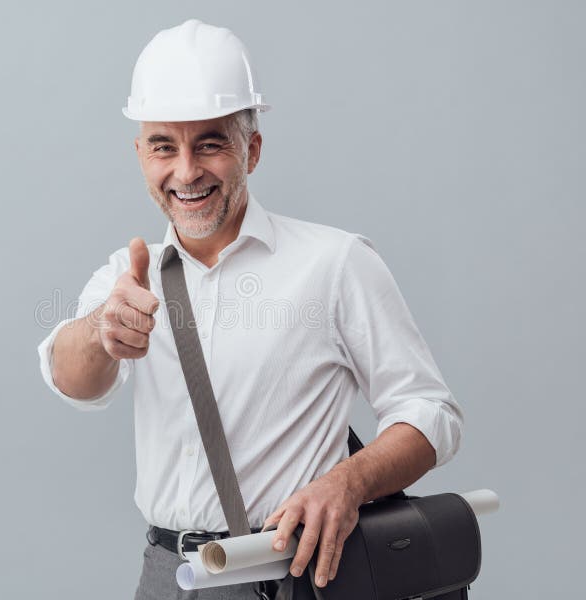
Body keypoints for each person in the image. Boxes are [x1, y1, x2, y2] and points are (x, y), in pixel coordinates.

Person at [37, 19, 463, 600]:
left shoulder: (335, 264)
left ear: (252, 149)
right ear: (141, 154)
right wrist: (100, 332)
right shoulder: (125, 278)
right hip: (166, 575)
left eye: (210, 143)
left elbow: (431, 411)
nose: (185, 172)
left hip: (289, 572)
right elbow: (71, 379)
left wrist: (348, 483)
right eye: (164, 146)